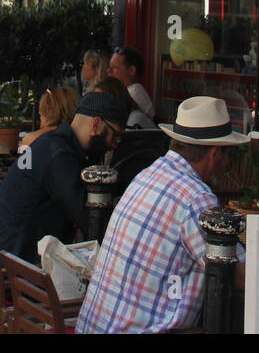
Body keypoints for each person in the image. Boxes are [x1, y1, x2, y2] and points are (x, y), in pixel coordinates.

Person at [77, 96, 244, 333]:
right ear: (215, 154)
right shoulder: (195, 197)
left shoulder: (150, 174)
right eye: (228, 155)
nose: (228, 163)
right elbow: (237, 274)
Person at [0, 90, 126, 264]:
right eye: (116, 136)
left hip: (5, 253)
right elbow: (90, 223)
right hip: (18, 267)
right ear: (96, 125)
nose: (114, 145)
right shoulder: (60, 156)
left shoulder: (53, 143)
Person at [110, 46, 156, 128]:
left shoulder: (134, 94)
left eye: (115, 68)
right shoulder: (128, 91)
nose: (109, 71)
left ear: (131, 70)